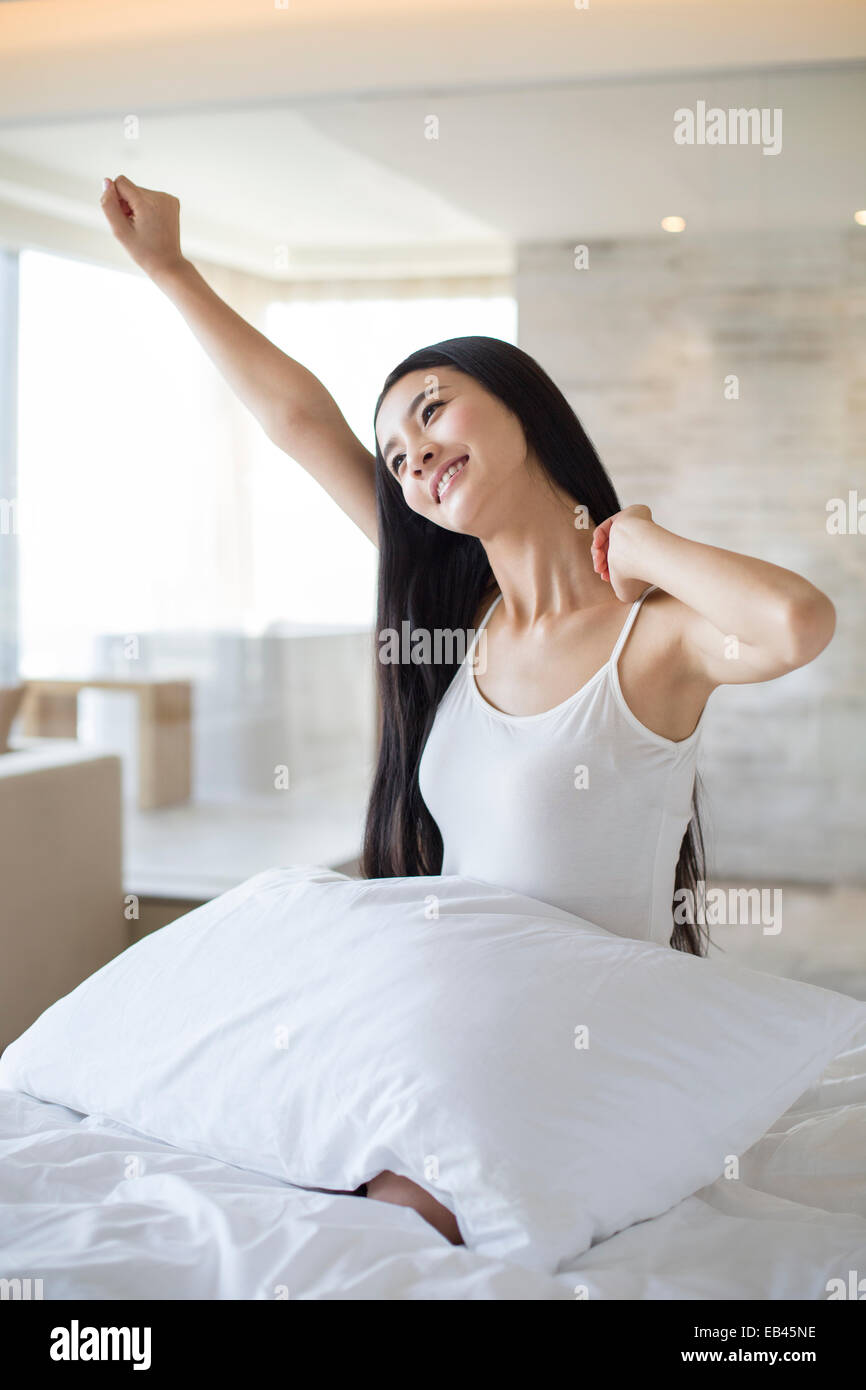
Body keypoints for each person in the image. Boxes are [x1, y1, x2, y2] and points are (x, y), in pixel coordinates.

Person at [100, 175, 836, 1249]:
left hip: (565, 1033)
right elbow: (300, 423)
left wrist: (638, 545)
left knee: (396, 1219)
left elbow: (795, 621)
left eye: (432, 409)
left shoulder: (654, 642)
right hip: (448, 1011)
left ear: (523, 408)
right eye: (394, 455)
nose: (412, 456)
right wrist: (169, 268)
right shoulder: (449, 620)